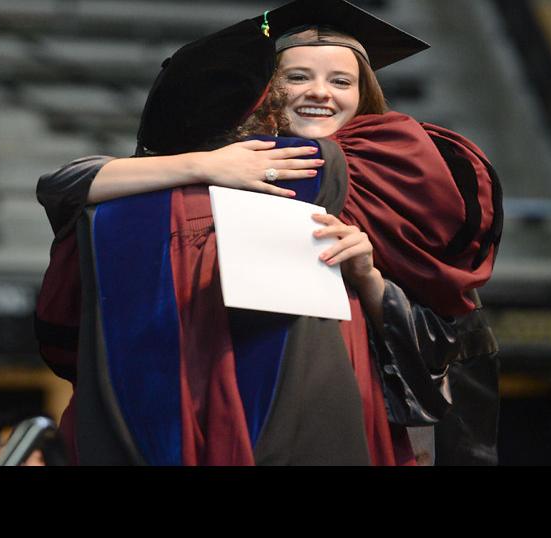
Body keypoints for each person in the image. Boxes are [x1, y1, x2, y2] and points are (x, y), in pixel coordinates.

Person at [35, 0, 502, 465]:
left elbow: (445, 346)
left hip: (344, 401)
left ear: (364, 95)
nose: (320, 92)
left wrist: (369, 277)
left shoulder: (391, 185)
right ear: (265, 90)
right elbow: (67, 184)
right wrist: (208, 164)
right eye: (297, 77)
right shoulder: (217, 167)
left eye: (341, 81)